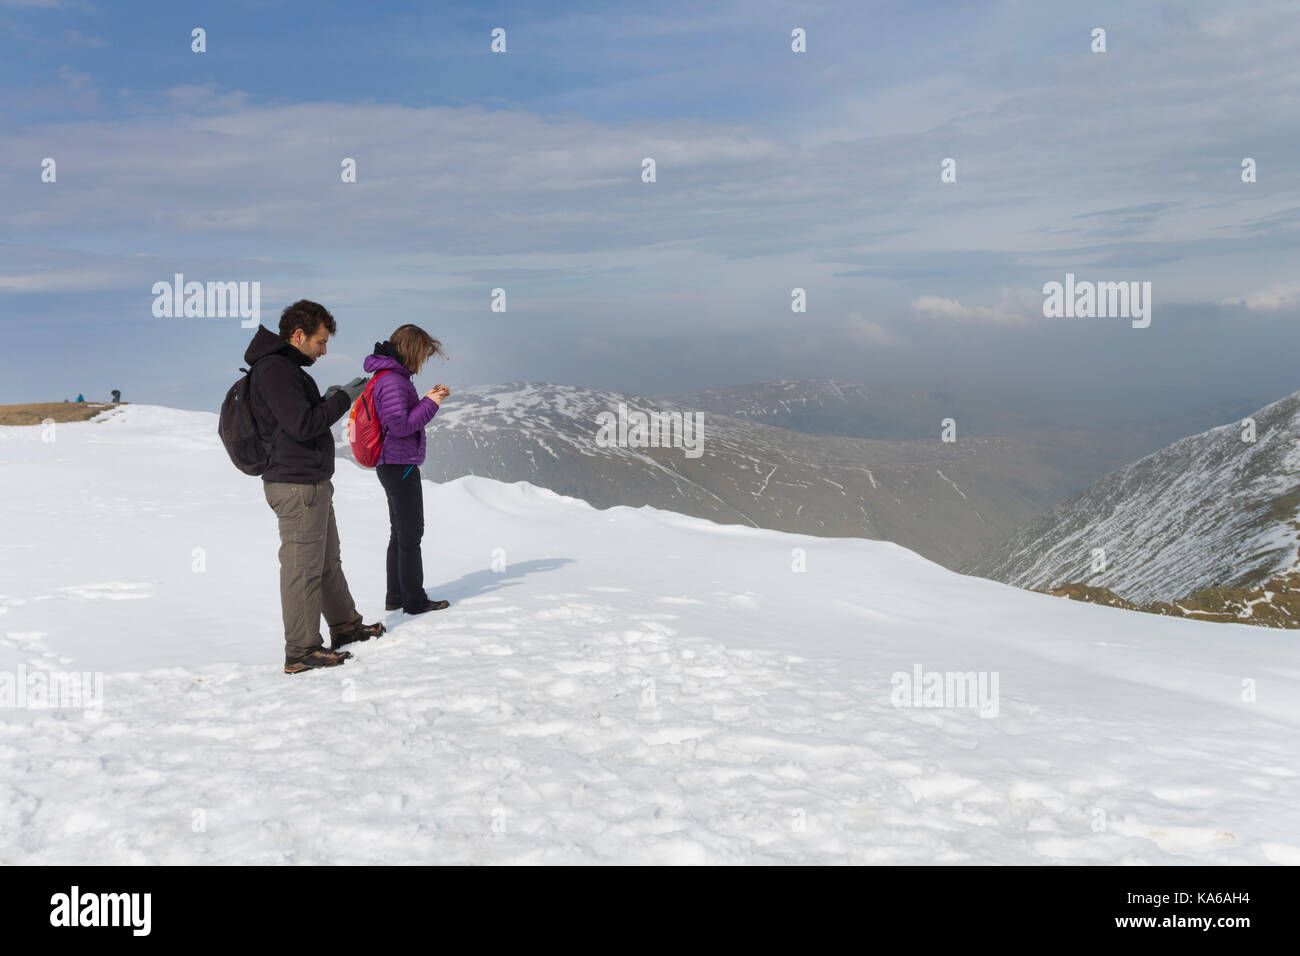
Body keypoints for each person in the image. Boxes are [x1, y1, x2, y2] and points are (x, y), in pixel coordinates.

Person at [244, 299, 386, 674]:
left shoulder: (285, 369)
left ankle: (345, 628)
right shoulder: (276, 371)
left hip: (308, 481)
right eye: (320, 342)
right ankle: (302, 650)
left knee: (325, 563)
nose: (324, 351)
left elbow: (296, 419)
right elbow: (303, 425)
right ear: (298, 335)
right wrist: (342, 399)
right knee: (302, 569)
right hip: (295, 486)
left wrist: (328, 400)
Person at [363, 325, 451, 615]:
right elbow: (401, 426)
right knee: (411, 532)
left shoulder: (388, 377)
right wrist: (432, 402)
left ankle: (396, 596)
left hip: (391, 463)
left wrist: (426, 399)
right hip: (398, 463)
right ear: (412, 351)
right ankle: (414, 600)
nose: (422, 362)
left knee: (400, 532)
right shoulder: (393, 382)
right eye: (422, 355)